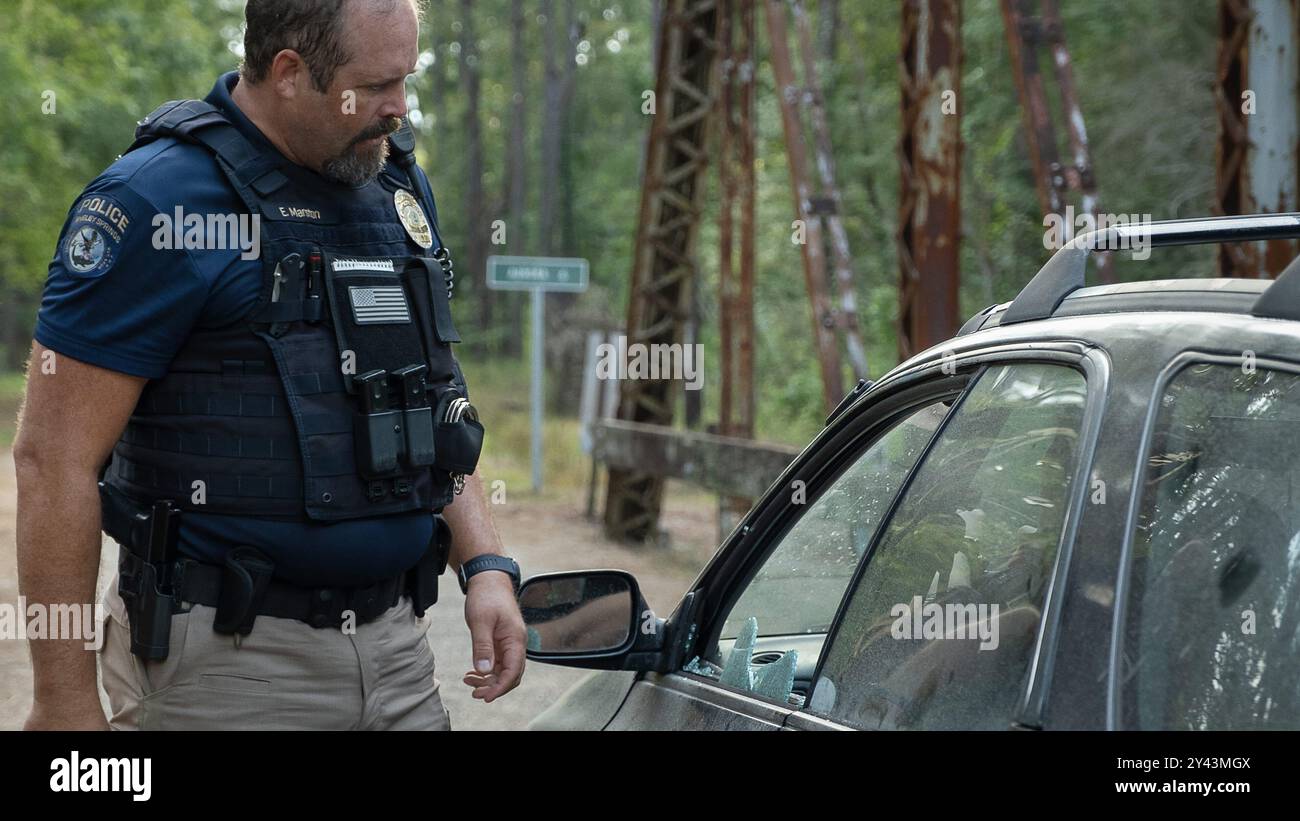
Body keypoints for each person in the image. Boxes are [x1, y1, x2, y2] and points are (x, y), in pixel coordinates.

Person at [15, 0, 526, 731]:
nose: (399, 108)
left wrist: (485, 566)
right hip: (224, 670)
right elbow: (51, 460)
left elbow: (431, 397)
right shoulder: (156, 201)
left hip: (399, 656)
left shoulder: (396, 189)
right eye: (378, 85)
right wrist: (62, 703)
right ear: (289, 72)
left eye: (406, 79)